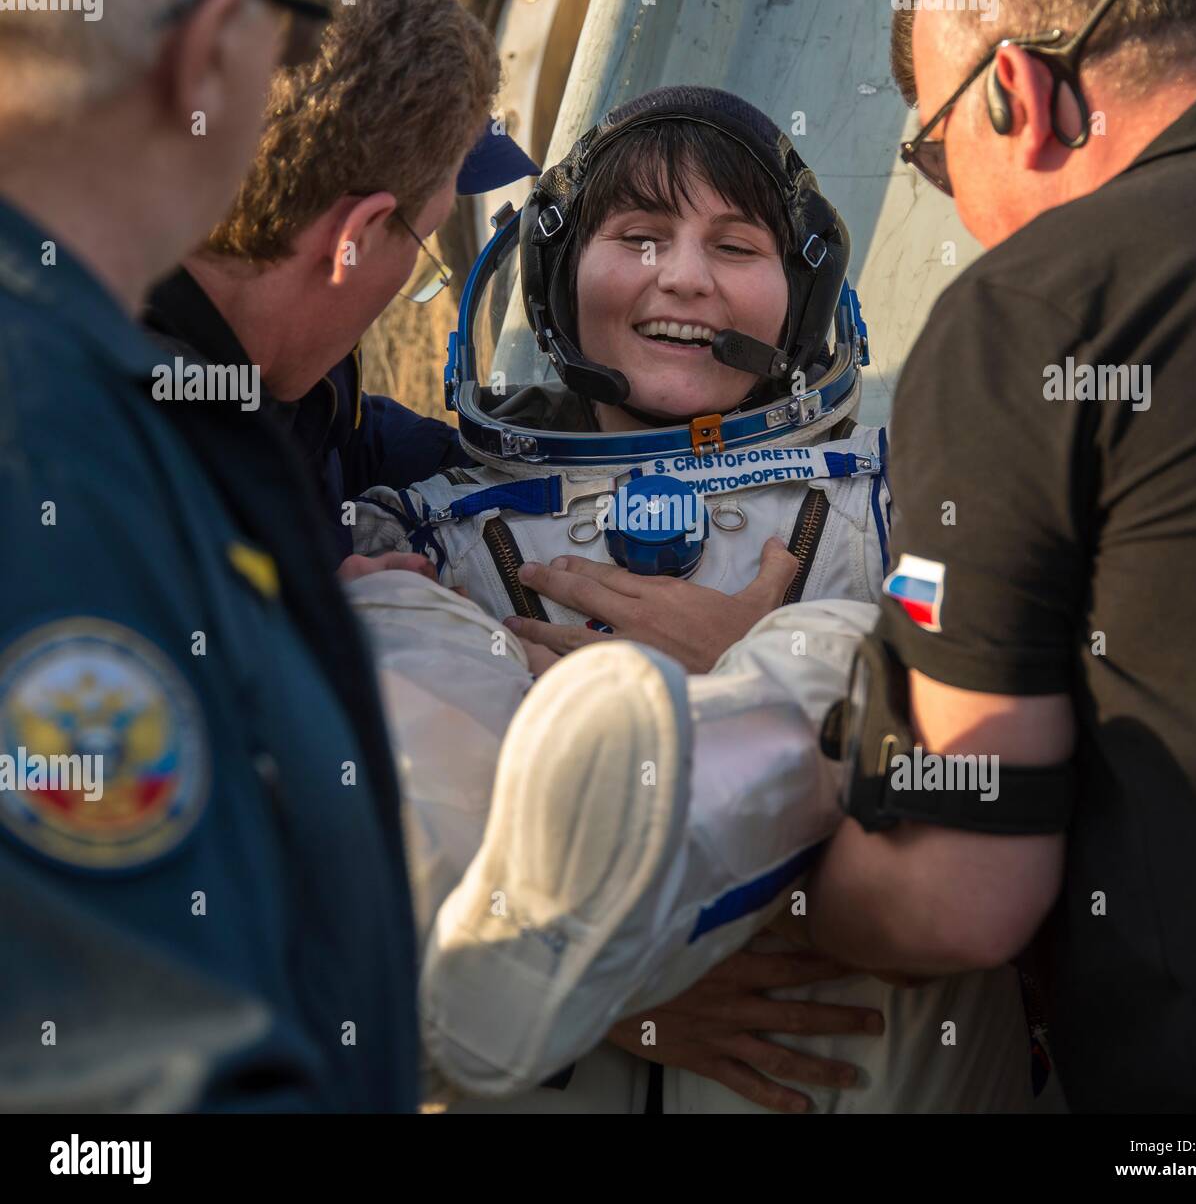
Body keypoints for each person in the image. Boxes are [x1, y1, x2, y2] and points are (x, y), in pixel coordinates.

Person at [349, 88, 1043, 1113]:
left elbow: (1011, 759)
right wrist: (630, 999)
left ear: (803, 295)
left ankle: (606, 905)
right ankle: (530, 958)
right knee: (382, 621)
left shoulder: (910, 500)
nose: (682, 274)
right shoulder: (424, 532)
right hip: (541, 1049)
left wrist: (745, 653)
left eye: (735, 246)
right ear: (556, 275)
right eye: (638, 236)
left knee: (854, 647)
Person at [773, 0, 1196, 1114]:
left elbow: (957, 890)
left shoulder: (1038, 311)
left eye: (934, 153)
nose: (956, 208)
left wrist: (776, 911)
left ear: (1016, 92)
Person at [0, 0, 433, 1112]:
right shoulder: (52, 446)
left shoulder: (90, 392)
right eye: (285, 39)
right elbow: (125, 1092)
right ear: (206, 54)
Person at [142, 0, 539, 570]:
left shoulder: (276, 368)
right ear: (352, 238)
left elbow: (346, 438)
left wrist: (551, 455)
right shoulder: (134, 487)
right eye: (423, 241)